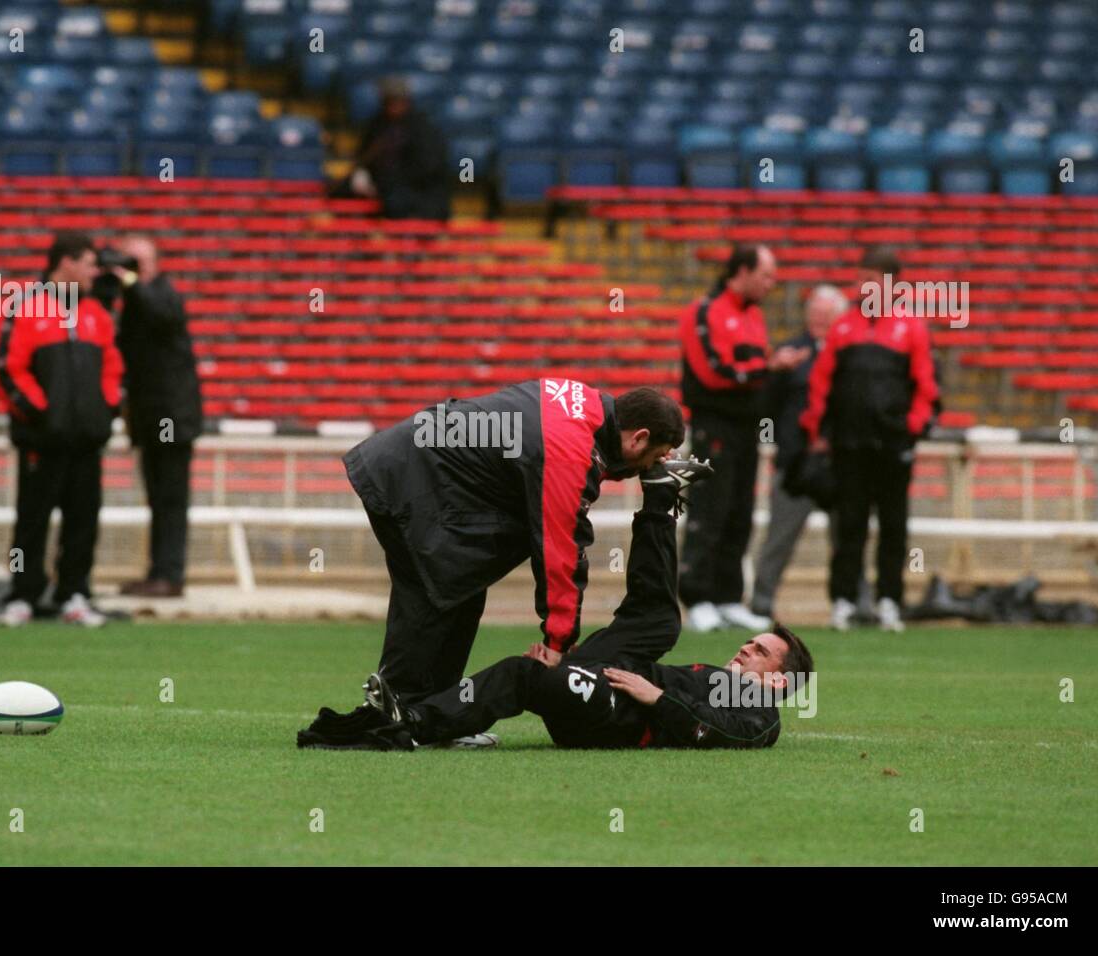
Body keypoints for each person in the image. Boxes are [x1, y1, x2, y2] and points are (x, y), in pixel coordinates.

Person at [298, 461, 813, 752]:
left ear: (777, 682)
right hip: (618, 682)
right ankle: (660, 497)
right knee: (657, 619)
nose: (746, 646)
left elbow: (714, 732)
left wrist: (655, 698)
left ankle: (411, 722)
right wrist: (578, 669)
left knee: (525, 675)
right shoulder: (715, 678)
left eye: (761, 651)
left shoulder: (761, 715)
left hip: (619, 714)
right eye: (752, 641)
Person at [333, 380, 690, 742]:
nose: (649, 467)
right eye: (653, 456)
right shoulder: (570, 449)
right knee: (436, 591)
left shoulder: (589, 411)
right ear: (639, 437)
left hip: (411, 466)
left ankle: (424, 713)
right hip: (412, 479)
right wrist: (558, 642)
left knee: (457, 586)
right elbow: (560, 548)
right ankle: (398, 715)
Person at [800, 247, 940, 633]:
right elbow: (820, 384)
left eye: (872, 279)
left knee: (894, 527)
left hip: (894, 449)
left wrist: (910, 429)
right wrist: (818, 432)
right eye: (862, 278)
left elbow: (927, 387)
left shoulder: (911, 328)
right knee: (850, 527)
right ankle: (843, 601)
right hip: (849, 447)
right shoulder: (843, 327)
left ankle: (890, 601)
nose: (864, 286)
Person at [0, 231, 124, 627]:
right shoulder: (25, 308)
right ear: (65, 263)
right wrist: (43, 413)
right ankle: (23, 596)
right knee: (32, 519)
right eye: (88, 263)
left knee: (83, 520)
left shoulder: (96, 314)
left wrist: (105, 411)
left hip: (86, 441)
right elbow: (6, 369)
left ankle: (75, 594)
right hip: (41, 440)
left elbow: (114, 369)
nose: (94, 272)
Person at [678, 244, 810, 633]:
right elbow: (712, 372)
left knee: (739, 512)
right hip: (713, 424)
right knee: (709, 509)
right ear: (743, 271)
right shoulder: (705, 311)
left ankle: (727, 596)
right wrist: (769, 365)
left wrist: (771, 367)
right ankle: (697, 596)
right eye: (766, 275)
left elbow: (754, 372)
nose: (771, 284)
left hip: (746, 428)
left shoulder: (753, 316)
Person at [107, 235, 203, 598]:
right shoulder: (134, 300)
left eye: (137, 261)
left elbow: (162, 314)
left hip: (173, 419)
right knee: (157, 498)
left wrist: (129, 280)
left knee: (170, 499)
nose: (131, 268)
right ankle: (157, 573)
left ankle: (170, 575)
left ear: (155, 264)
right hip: (150, 419)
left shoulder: (163, 293)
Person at [750, 284, 848, 619]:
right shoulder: (791, 352)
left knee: (848, 539)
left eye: (826, 315)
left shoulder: (851, 353)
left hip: (840, 463)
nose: (819, 320)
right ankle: (761, 602)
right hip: (795, 464)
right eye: (815, 314)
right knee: (779, 537)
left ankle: (850, 602)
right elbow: (766, 409)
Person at [340, 76, 450, 221]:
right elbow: (364, 155)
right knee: (343, 190)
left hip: (417, 191)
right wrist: (364, 174)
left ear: (406, 101)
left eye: (397, 101)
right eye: (389, 102)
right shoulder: (377, 124)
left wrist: (389, 181)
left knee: (396, 201)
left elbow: (428, 166)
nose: (393, 106)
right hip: (382, 185)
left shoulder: (423, 127)